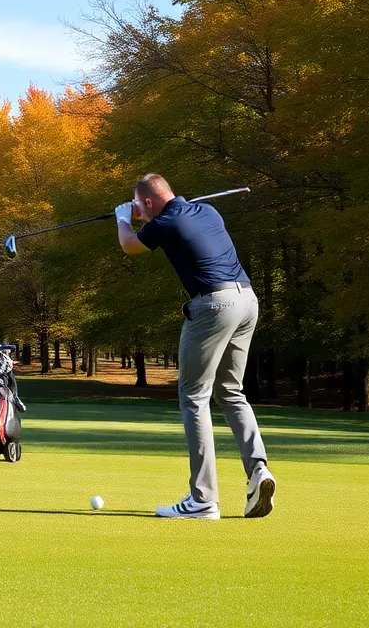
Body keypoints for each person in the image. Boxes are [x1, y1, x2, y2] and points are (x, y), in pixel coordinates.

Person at [115, 174, 275, 520]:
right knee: (231, 392)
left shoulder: (166, 221)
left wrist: (122, 219)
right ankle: (259, 470)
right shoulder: (208, 211)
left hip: (214, 305)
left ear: (145, 203)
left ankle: (202, 500)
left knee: (193, 396)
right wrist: (143, 214)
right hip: (247, 300)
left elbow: (129, 245)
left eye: (139, 207)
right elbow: (168, 214)